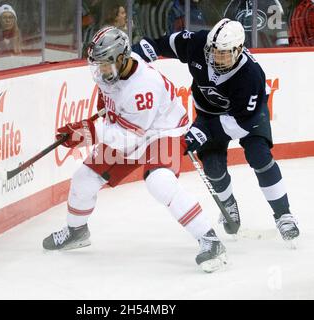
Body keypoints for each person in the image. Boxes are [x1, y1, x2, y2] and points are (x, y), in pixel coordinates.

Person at [43, 26, 228, 272]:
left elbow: (128, 139)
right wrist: (93, 123)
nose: (100, 70)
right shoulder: (112, 70)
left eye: (104, 64)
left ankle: (209, 239)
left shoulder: (143, 87)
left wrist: (89, 133)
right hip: (131, 129)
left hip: (163, 132)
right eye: (97, 64)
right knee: (84, 178)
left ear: (121, 58)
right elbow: (109, 105)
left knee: (159, 182)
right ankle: (76, 231)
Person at [132, 18, 299, 243]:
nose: (216, 57)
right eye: (213, 51)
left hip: (247, 117)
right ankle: (229, 205)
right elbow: (167, 44)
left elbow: (240, 123)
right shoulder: (199, 42)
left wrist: (201, 131)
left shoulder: (251, 75)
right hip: (208, 113)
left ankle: (284, 214)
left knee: (260, 157)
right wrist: (136, 54)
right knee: (212, 167)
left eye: (224, 53)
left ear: (239, 50)